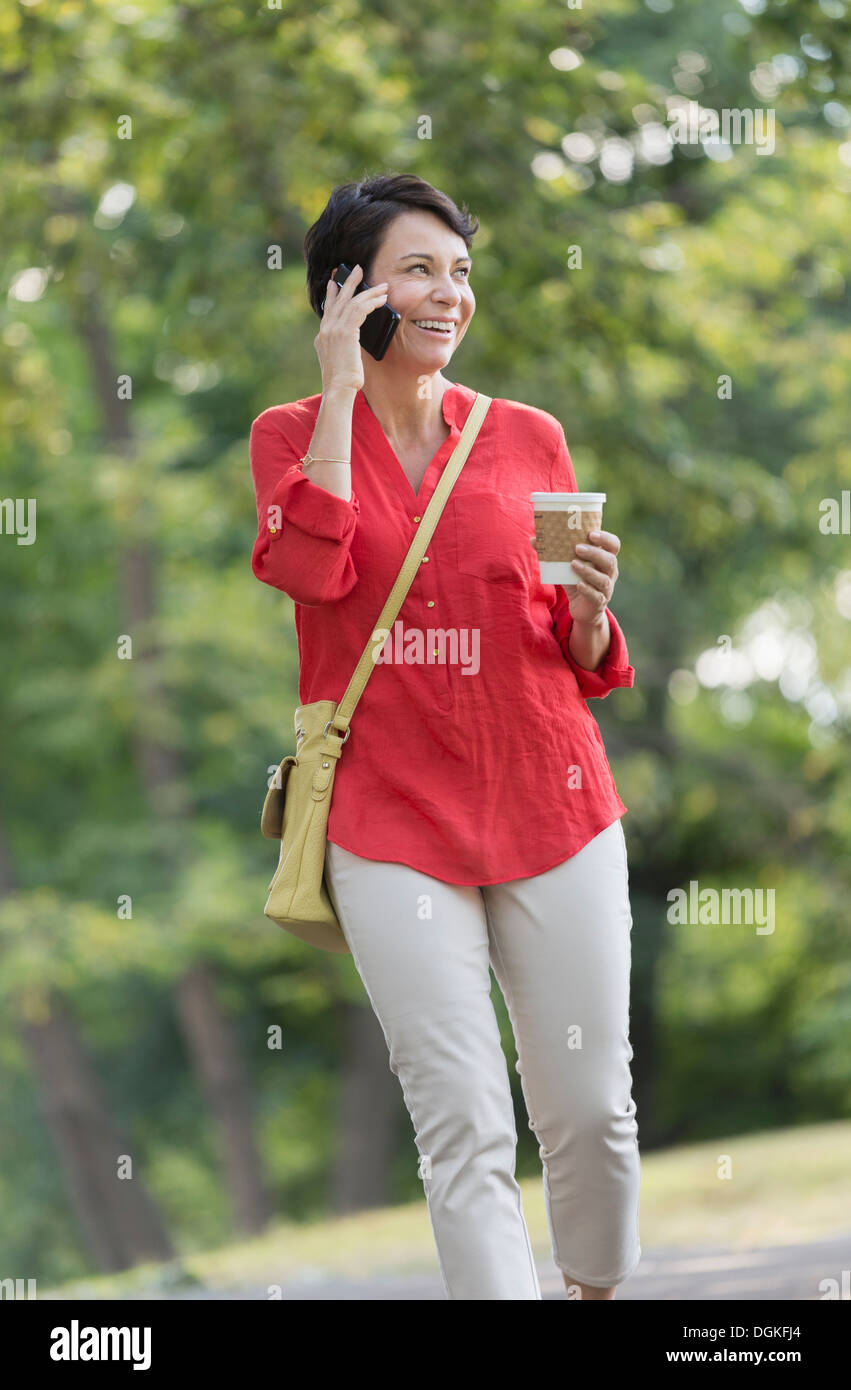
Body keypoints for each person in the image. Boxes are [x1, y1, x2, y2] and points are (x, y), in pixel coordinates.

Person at [249, 172, 641, 1301]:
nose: (446, 293)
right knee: (461, 1120)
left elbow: (578, 652)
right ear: (347, 291)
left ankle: (595, 1288)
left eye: (457, 272)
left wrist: (587, 611)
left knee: (590, 1109)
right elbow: (312, 568)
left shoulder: (528, 439)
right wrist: (336, 387)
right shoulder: (286, 436)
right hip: (391, 823)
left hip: (552, 800)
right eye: (417, 268)